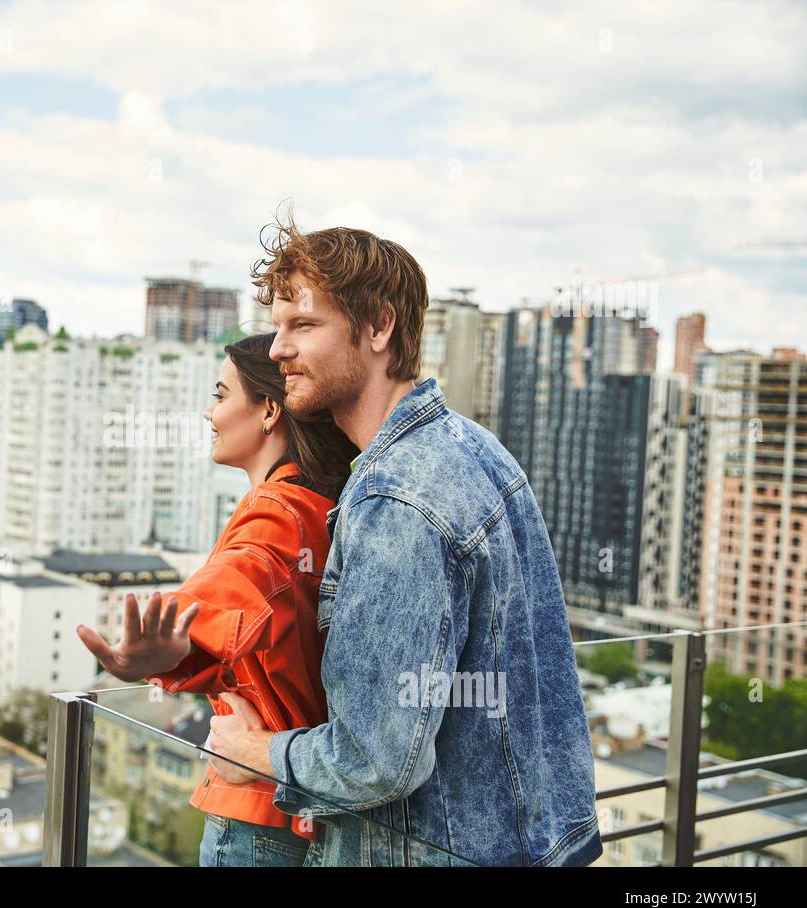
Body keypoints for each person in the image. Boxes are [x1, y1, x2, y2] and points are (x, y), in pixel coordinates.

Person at [204, 212, 604, 867]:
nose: (277, 351)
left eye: (302, 325)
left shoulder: (397, 496)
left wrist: (250, 753)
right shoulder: (473, 447)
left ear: (380, 327)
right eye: (277, 328)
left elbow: (373, 762)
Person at [76, 331, 357, 866]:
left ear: (269, 410)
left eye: (221, 395)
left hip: (257, 814)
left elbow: (244, 574)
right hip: (300, 805)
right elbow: (269, 647)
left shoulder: (281, 510)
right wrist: (181, 652)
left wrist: (179, 626)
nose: (209, 413)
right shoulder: (321, 502)